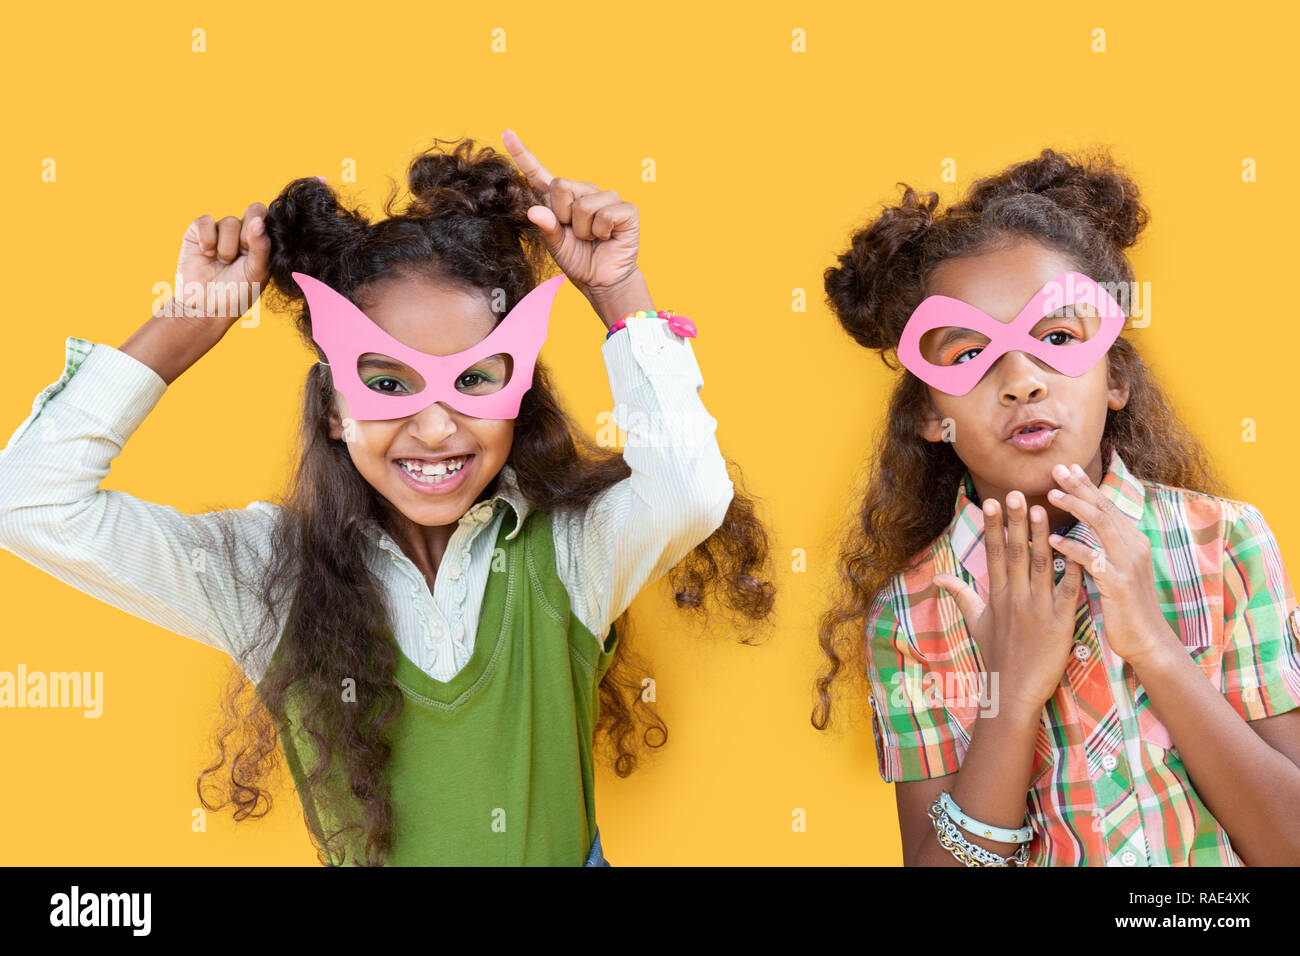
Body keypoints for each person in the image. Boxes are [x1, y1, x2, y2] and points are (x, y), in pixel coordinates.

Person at [0, 131, 775, 865]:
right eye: (387, 383)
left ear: (518, 393)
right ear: (336, 410)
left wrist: (618, 292)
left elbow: (688, 491)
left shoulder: (570, 554)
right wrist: (184, 323)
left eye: (473, 380)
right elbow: (28, 502)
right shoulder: (269, 578)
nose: (435, 427)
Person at [813, 147, 1300, 865]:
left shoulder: (1226, 544)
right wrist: (1009, 704)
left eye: (1059, 339)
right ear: (926, 414)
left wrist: (1156, 651)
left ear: (1116, 380)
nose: (1021, 381)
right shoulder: (913, 616)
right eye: (967, 354)